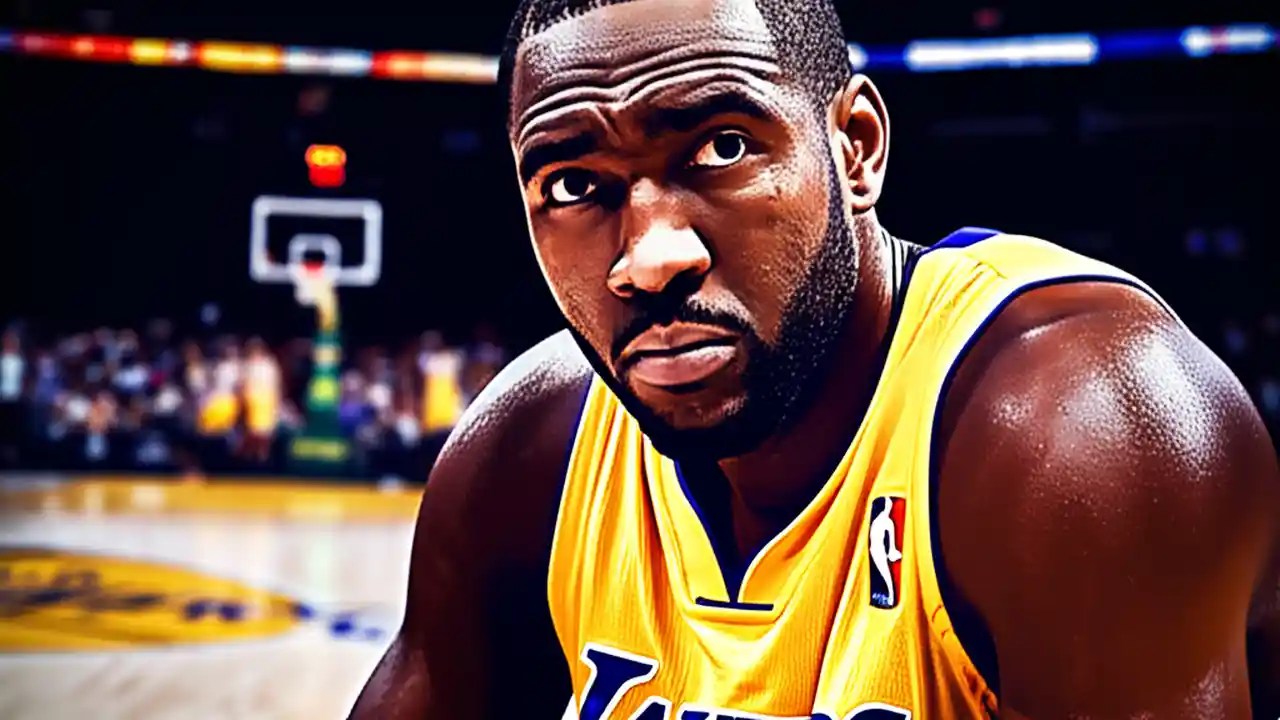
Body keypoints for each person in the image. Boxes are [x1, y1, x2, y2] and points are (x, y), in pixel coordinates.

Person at [351, 1, 1280, 718]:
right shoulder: (527, 454)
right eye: (573, 185)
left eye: (720, 146)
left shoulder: (1077, 429)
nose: (649, 257)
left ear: (857, 150)